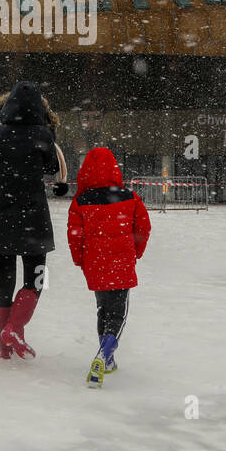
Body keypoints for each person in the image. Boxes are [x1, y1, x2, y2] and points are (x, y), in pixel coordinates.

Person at [0, 81, 65, 360]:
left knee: (5, 282)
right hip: (34, 219)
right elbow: (52, 168)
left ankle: (5, 346)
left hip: (0, 218)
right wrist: (48, 133)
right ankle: (14, 328)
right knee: (36, 279)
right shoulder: (42, 136)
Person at [66, 147, 151, 388]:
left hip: (95, 263)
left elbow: (75, 235)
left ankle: (108, 358)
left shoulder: (81, 201)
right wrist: (136, 252)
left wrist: (79, 259)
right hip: (121, 262)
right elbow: (143, 228)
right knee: (118, 314)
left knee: (103, 309)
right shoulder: (129, 197)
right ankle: (104, 355)